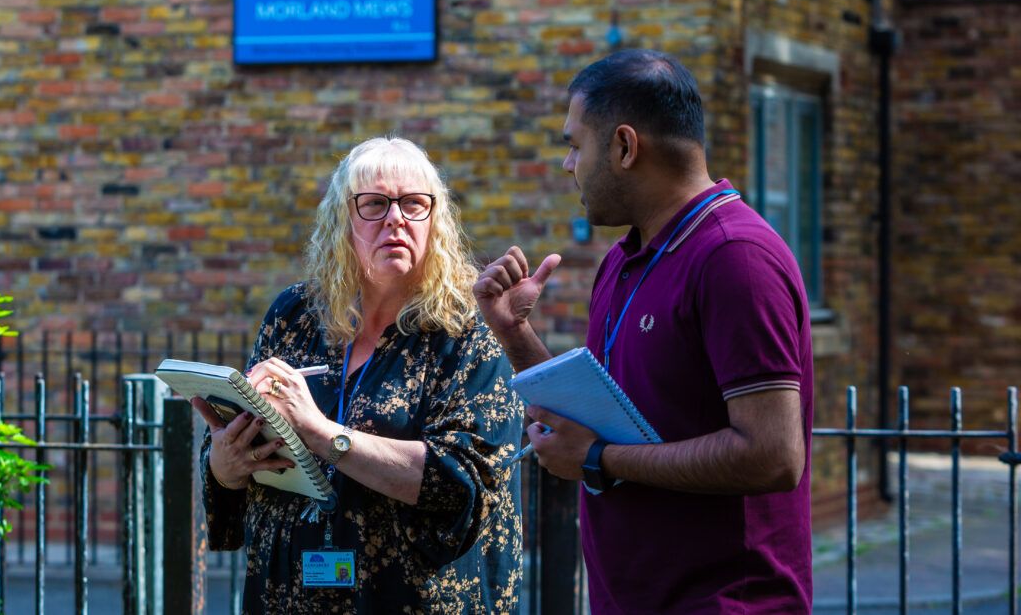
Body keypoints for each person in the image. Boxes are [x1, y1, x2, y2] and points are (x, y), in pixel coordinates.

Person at [474, 49, 814, 613]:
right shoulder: (624, 260)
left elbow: (774, 455)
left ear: (625, 147)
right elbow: (604, 421)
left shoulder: (735, 258)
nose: (568, 166)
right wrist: (514, 334)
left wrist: (600, 459)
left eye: (574, 145)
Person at [193, 136, 524, 613]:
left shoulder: (466, 330)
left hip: (410, 599)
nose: (396, 218)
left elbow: (466, 482)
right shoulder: (295, 314)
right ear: (342, 223)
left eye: (414, 204)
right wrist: (225, 465)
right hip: (290, 592)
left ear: (436, 222)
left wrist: (322, 433)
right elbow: (233, 454)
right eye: (374, 204)